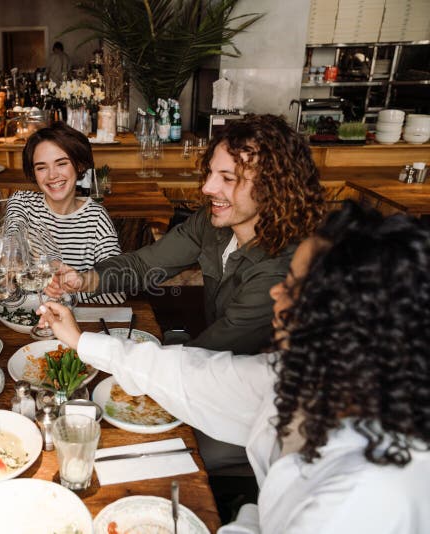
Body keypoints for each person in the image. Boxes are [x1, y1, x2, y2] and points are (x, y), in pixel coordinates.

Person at [40, 201, 430, 533]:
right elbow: (195, 372)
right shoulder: (307, 378)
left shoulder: (366, 498)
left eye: (293, 284)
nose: (278, 290)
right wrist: (80, 341)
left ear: (345, 318)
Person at [49, 113, 326, 355]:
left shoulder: (278, 271)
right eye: (210, 173)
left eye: (228, 178)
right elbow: (144, 264)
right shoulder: (212, 222)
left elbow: (203, 359)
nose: (207, 188)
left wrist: (88, 345)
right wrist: (84, 280)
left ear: (274, 187)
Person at [5, 122, 123, 304]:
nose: (52, 175)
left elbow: (116, 287)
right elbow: (10, 249)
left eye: (61, 164)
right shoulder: (22, 202)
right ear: (34, 173)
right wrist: (36, 271)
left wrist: (78, 283)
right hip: (27, 316)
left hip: (76, 319)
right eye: (41, 167)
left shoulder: (96, 217)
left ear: (80, 165)